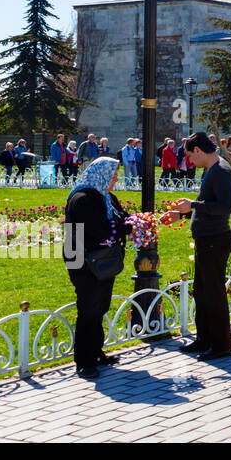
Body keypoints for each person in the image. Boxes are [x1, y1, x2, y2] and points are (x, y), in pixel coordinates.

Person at [161, 132, 231, 360]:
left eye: (189, 156)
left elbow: (224, 207)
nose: (189, 162)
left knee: (214, 294)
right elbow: (208, 206)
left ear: (199, 151)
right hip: (206, 239)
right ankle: (204, 339)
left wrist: (192, 205)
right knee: (202, 293)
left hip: (215, 240)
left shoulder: (221, 171)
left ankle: (221, 345)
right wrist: (183, 215)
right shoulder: (211, 170)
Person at [63, 156, 131, 379]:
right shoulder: (83, 199)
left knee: (100, 305)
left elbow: (121, 218)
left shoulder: (105, 197)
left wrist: (134, 222)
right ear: (100, 174)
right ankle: (84, 361)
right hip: (82, 261)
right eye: (112, 175)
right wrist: (127, 228)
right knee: (88, 307)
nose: (115, 179)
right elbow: (100, 230)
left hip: (102, 260)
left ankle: (96, 351)